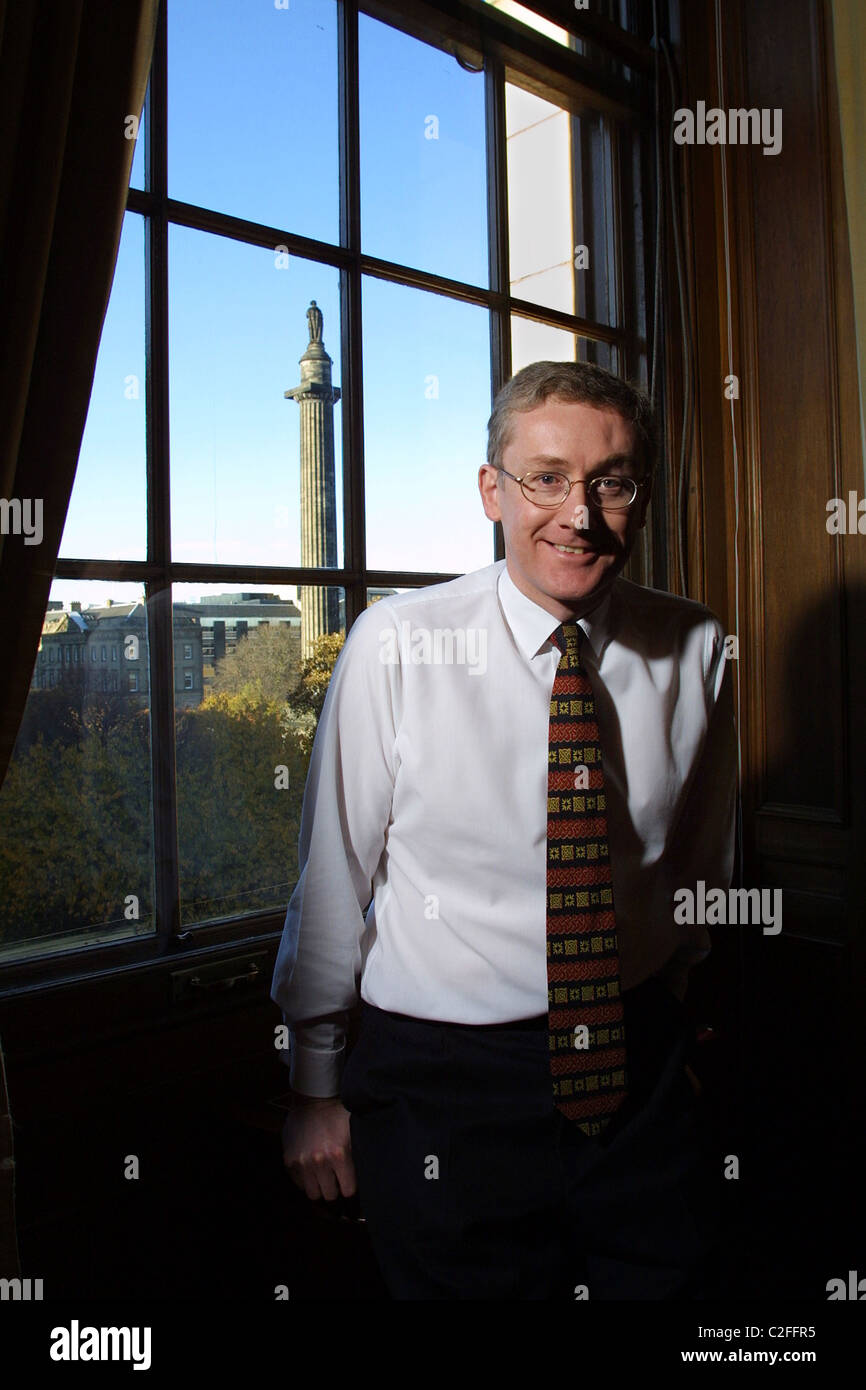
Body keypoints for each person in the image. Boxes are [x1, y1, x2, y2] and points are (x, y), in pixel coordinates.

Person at [270, 359, 737, 1300]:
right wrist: (314, 1087)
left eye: (611, 481)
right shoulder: (397, 644)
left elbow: (698, 863)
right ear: (493, 490)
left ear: (639, 496)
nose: (580, 515)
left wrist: (675, 1033)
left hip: (637, 1069)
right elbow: (335, 881)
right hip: (447, 1091)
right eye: (548, 479)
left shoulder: (697, 645)